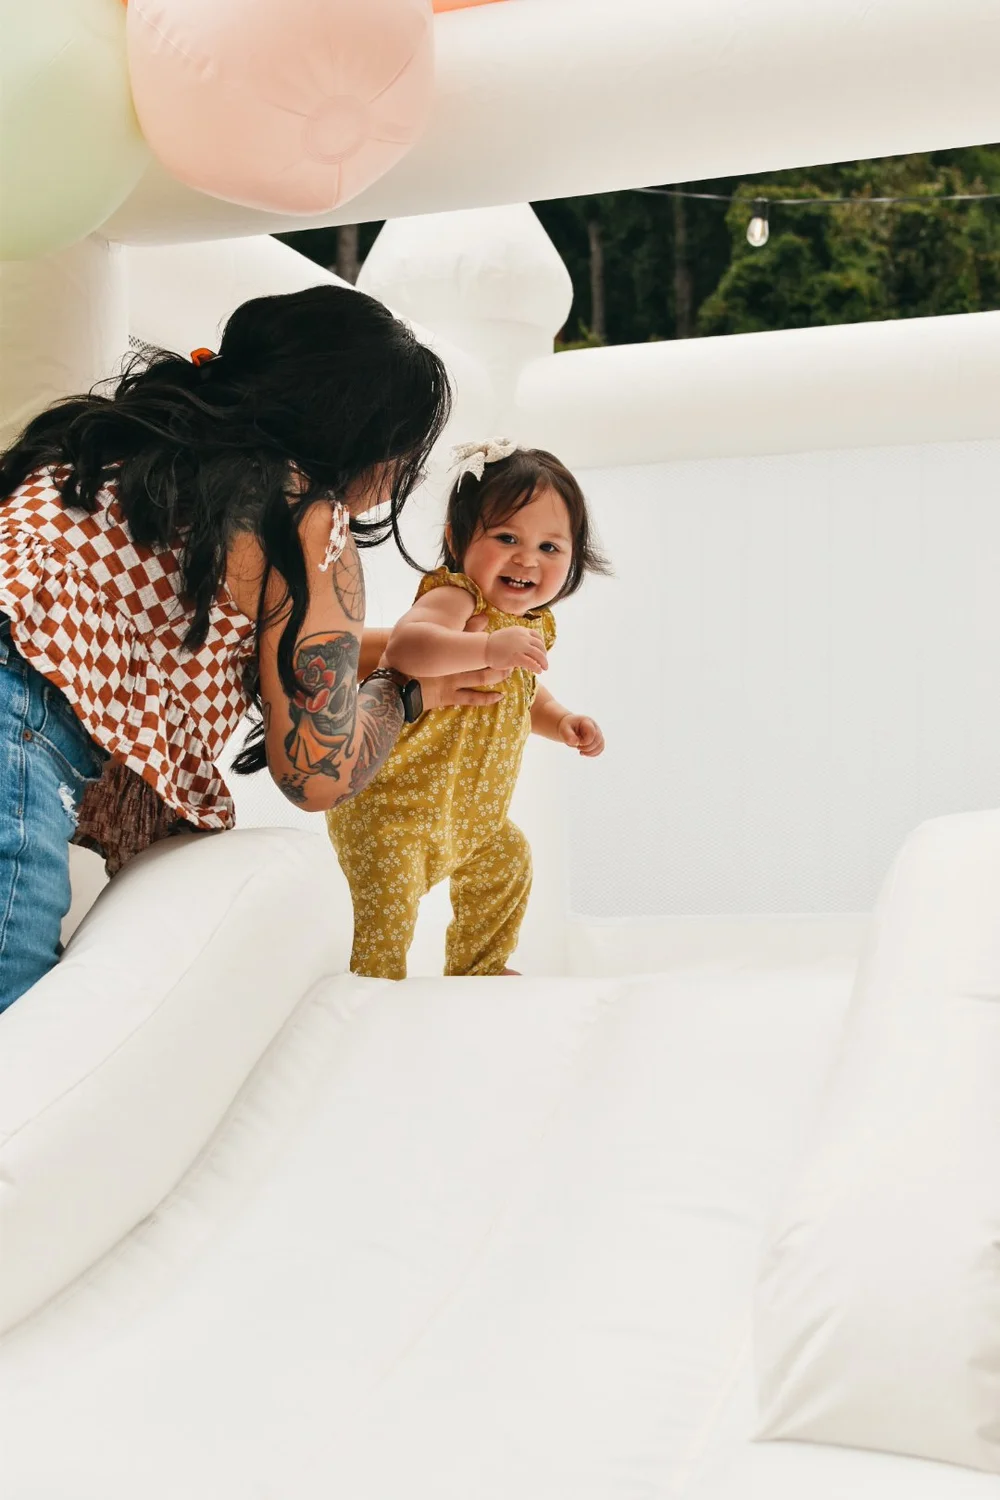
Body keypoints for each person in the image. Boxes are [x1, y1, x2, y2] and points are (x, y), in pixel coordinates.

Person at [0, 285, 506, 1014]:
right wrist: (404, 691)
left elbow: (200, 625)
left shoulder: (122, 440)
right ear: (360, 431)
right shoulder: (306, 515)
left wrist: (399, 646)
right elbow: (317, 773)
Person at [326, 439, 609, 980]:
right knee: (387, 905)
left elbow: (523, 696)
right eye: (507, 538)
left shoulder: (536, 624)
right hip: (396, 812)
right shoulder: (456, 597)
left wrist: (561, 720)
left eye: (551, 547)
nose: (527, 559)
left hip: (470, 818)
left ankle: (479, 969)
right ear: (458, 540)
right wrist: (483, 647)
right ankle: (371, 985)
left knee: (508, 863)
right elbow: (406, 648)